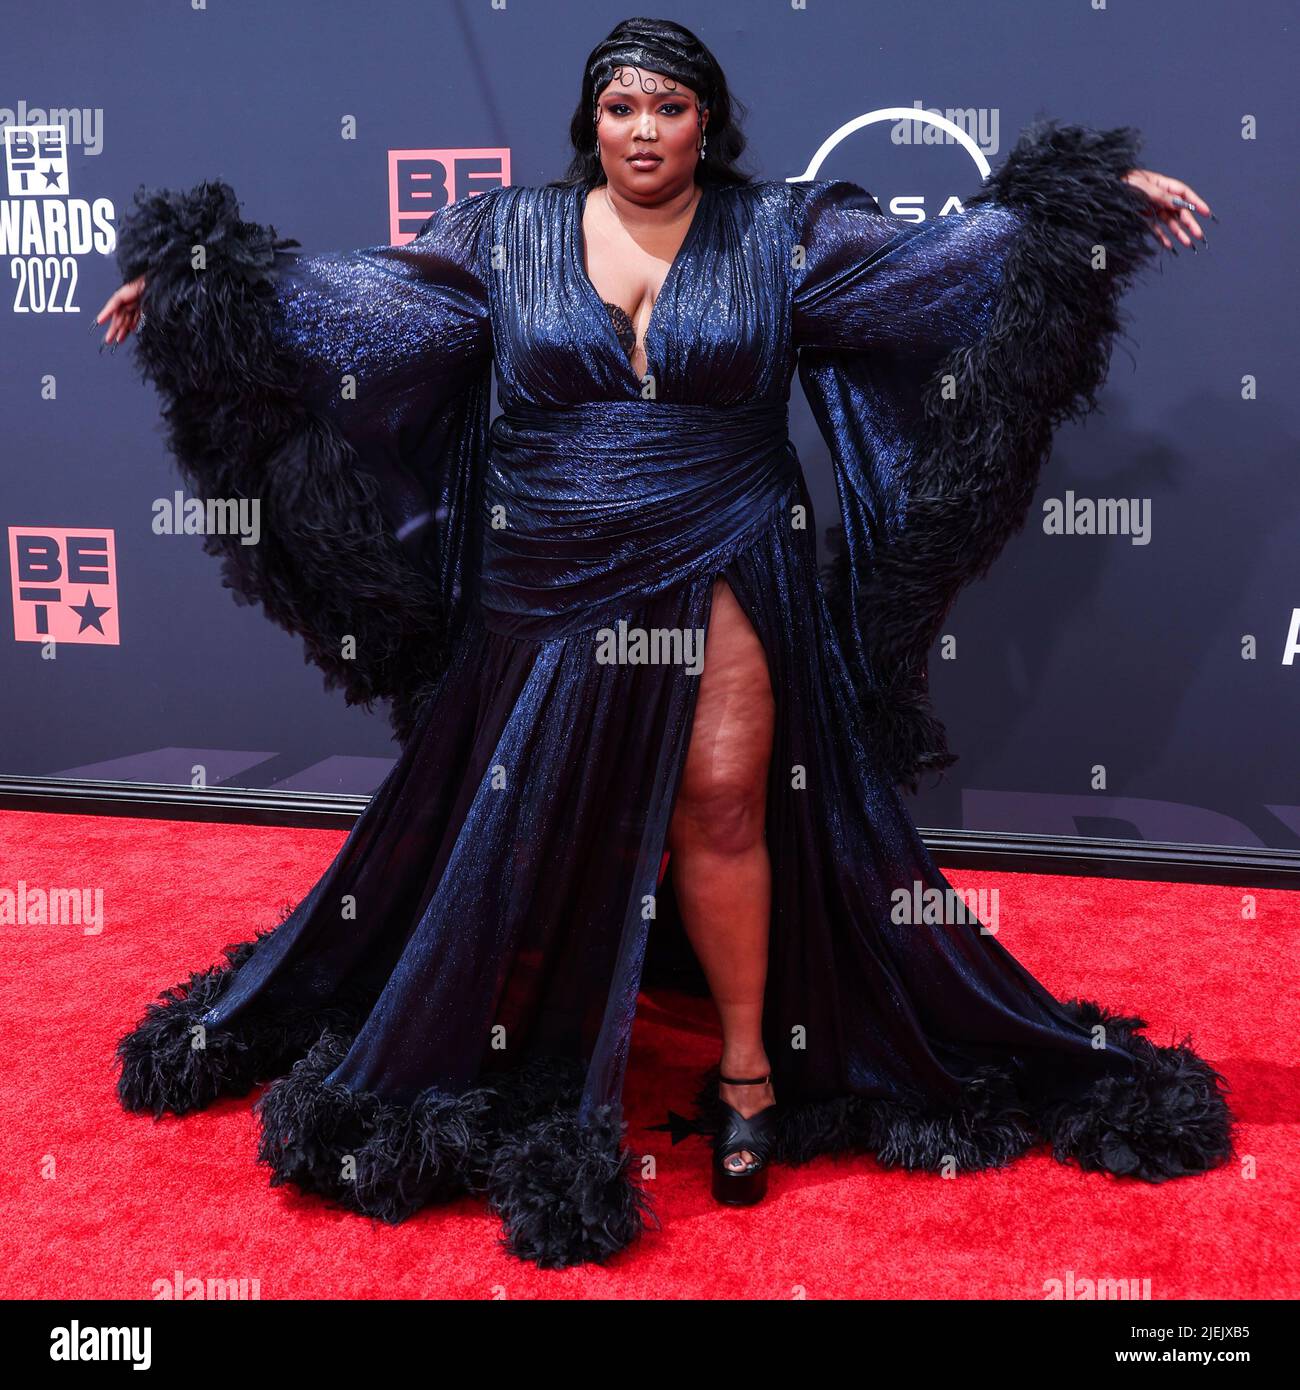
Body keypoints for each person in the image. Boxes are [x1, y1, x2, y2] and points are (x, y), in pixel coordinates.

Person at [100, 17, 1233, 1270]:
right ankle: (511, 1042)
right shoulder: (503, 231)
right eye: (623, 107)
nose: (645, 131)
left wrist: (1074, 212)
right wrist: (208, 289)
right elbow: (367, 303)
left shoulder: (784, 232)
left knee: (723, 805)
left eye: (671, 108)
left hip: (724, 549)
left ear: (710, 122)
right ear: (591, 120)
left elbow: (944, 262)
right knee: (519, 820)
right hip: (547, 575)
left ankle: (749, 1072)